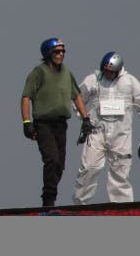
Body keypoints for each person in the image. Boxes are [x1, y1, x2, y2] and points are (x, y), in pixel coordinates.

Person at [72, 52, 140, 204]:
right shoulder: (93, 80)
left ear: (118, 71)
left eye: (111, 72)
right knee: (88, 170)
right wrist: (84, 118)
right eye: (106, 71)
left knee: (120, 175)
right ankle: (80, 206)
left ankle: (122, 210)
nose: (108, 74)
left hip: (121, 136)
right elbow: (77, 100)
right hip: (96, 133)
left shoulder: (130, 82)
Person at [21, 38, 93, 207]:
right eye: (56, 52)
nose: (61, 55)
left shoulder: (67, 72)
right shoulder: (38, 72)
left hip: (61, 124)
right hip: (43, 124)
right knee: (52, 159)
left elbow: (76, 95)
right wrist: (26, 122)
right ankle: (48, 199)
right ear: (47, 53)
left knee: (60, 164)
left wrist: (86, 118)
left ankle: (50, 194)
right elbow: (26, 98)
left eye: (62, 52)